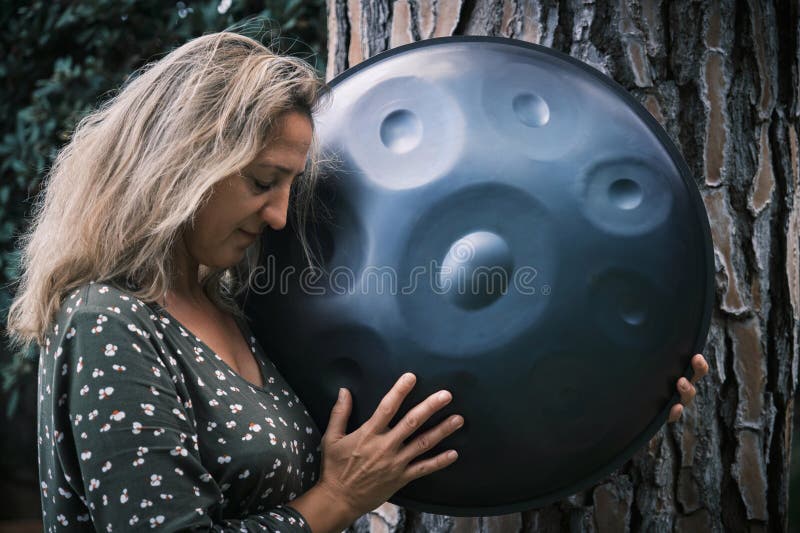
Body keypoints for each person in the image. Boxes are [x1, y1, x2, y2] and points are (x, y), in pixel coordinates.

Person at [5, 31, 709, 532]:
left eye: (288, 186)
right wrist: (336, 498)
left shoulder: (236, 311)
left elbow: (387, 421)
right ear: (182, 164)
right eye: (262, 183)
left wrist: (611, 392)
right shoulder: (111, 319)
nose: (280, 215)